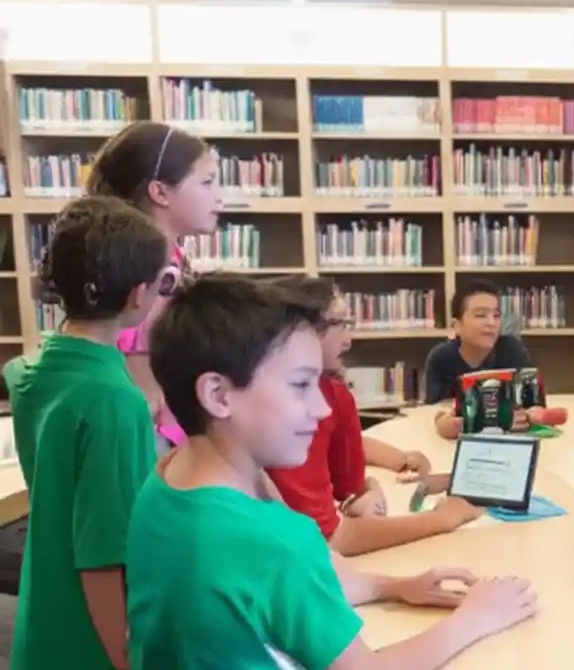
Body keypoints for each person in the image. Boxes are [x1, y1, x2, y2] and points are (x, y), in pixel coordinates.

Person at [127, 274, 538, 668]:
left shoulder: (166, 478)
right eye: (300, 385)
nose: (323, 409)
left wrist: (396, 587)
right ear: (218, 395)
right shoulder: (272, 541)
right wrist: (475, 618)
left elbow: (289, 590)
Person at [8, 196, 173, 669]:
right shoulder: (116, 402)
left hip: (43, 620)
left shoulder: (27, 371)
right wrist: (128, 661)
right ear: (138, 295)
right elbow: (103, 559)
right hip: (94, 639)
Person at [264, 275, 484, 556]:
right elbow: (329, 539)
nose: (349, 339)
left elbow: (348, 489)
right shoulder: (290, 412)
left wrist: (373, 481)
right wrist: (441, 519)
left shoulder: (332, 392)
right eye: (341, 324)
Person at [85, 120, 221, 453]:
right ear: (160, 192)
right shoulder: (147, 257)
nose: (219, 198)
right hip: (154, 423)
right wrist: (143, 374)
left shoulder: (169, 253)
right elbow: (134, 329)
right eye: (206, 183)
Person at [427, 281, 535, 439]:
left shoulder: (513, 351)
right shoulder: (442, 358)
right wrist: (443, 423)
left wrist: (527, 417)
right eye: (480, 315)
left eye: (496, 316)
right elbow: (436, 409)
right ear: (457, 326)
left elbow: (533, 403)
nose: (491, 323)